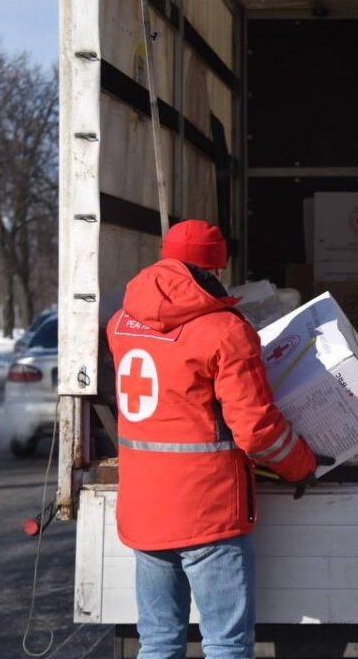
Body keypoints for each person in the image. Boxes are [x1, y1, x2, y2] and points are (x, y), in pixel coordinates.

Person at [107, 219, 323, 659]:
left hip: (144, 512)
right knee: (225, 645)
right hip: (208, 513)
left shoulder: (120, 323)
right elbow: (257, 431)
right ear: (216, 268)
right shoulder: (226, 331)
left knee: (157, 642)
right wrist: (303, 464)